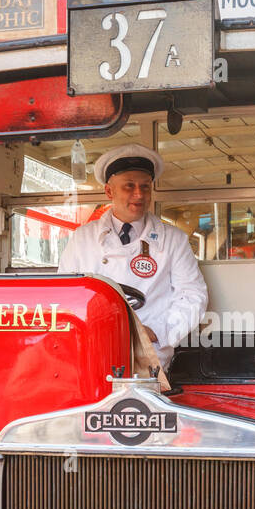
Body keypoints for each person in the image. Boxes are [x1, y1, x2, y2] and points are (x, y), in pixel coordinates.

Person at [57, 144, 208, 369]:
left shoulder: (173, 239)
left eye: (145, 187)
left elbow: (193, 296)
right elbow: (65, 298)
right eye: (129, 186)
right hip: (94, 351)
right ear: (109, 192)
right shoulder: (82, 238)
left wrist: (157, 331)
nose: (139, 194)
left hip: (151, 355)